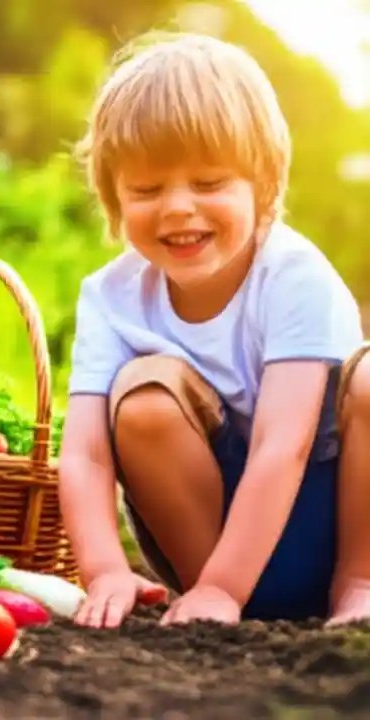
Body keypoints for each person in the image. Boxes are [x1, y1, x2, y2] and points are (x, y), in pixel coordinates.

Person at [60, 31, 370, 630]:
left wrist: (228, 587)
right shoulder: (109, 297)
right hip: (208, 536)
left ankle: (359, 585)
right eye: (147, 189)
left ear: (265, 187)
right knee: (142, 398)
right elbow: (85, 458)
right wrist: (104, 571)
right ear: (115, 197)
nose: (177, 207)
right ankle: (216, 599)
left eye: (209, 184)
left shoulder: (292, 274)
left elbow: (286, 446)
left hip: (325, 517)